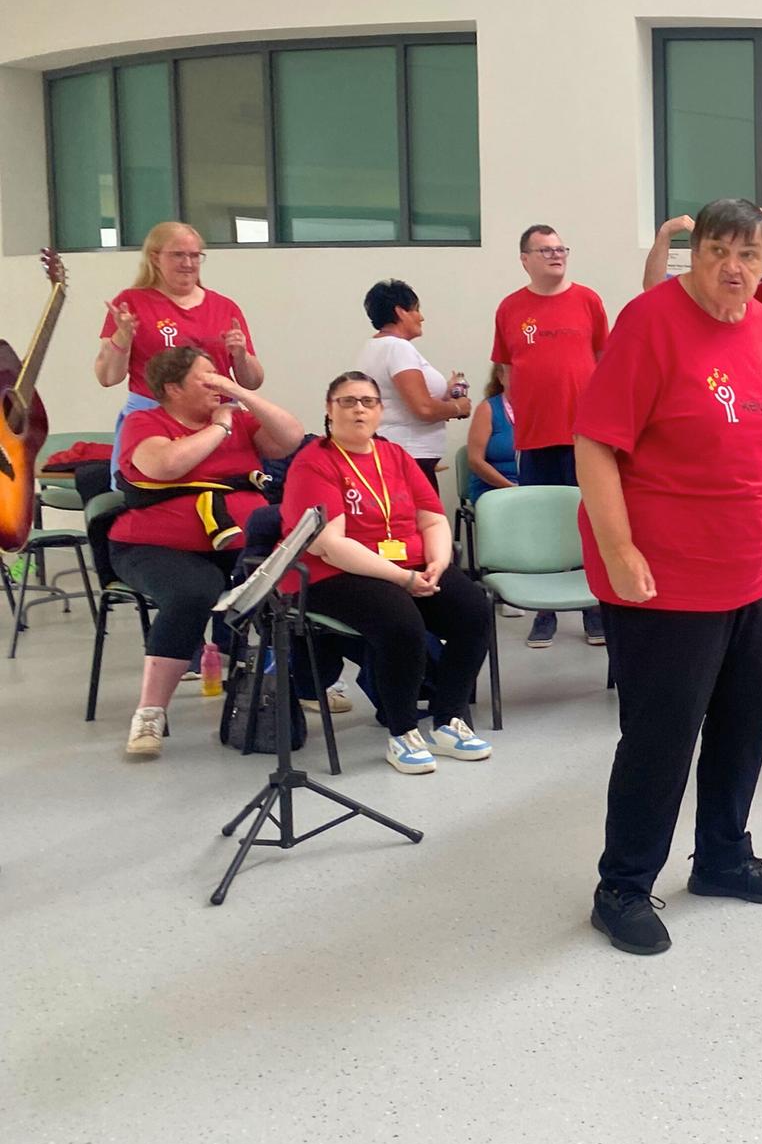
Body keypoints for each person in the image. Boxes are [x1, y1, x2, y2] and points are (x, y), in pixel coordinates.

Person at [577, 197, 762, 957]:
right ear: (696, 253)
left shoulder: (758, 325)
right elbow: (594, 443)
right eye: (719, 250)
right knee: (661, 738)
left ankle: (721, 856)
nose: (734, 268)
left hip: (747, 565)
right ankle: (621, 885)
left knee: (745, 725)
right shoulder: (648, 322)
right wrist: (620, 550)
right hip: (666, 576)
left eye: (749, 255)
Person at [282, 372, 494, 774]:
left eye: (367, 401)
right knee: (402, 623)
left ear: (380, 411)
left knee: (473, 610)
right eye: (347, 401)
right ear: (329, 410)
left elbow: (432, 518)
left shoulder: (394, 455)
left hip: (410, 566)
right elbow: (331, 544)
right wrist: (401, 579)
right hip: (335, 574)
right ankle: (402, 732)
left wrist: (438, 563)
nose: (358, 409)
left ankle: (449, 719)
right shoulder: (314, 462)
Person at [109, 348, 303, 757]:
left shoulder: (240, 419)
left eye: (218, 376)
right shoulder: (144, 422)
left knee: (300, 578)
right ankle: (150, 712)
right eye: (206, 377)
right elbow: (165, 465)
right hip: (153, 546)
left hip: (238, 543)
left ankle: (306, 684)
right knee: (192, 594)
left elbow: (290, 438)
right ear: (172, 388)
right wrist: (219, 428)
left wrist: (239, 393)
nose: (217, 383)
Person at [492, 224, 610, 648]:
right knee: (544, 527)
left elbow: (603, 359)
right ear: (525, 259)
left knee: (592, 520)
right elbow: (506, 368)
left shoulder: (588, 300)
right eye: (545, 250)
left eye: (560, 248)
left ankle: (595, 607)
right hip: (536, 436)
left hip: (586, 437)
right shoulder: (510, 308)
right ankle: (545, 613)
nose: (556, 255)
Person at [95, 221, 265, 479]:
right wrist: (123, 337)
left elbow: (252, 381)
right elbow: (107, 378)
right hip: (154, 419)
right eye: (178, 255)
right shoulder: (130, 303)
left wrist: (240, 355)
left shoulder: (224, 306)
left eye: (195, 255)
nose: (188, 263)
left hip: (217, 417)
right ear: (155, 258)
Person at [356, 279, 471, 488]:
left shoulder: (373, 347)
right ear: (401, 312)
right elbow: (423, 408)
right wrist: (457, 407)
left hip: (398, 453)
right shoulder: (398, 348)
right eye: (416, 310)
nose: (422, 317)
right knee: (425, 520)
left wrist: (444, 393)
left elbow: (402, 400)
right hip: (409, 456)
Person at [644, 206, 762, 312]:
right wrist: (665, 233)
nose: (732, 266)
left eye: (746, 254)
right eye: (718, 251)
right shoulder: (689, 294)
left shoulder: (752, 300)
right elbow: (653, 288)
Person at [464, 365, 518, 501]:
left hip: (532, 486)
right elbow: (475, 461)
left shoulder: (537, 409)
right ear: (500, 376)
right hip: (494, 489)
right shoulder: (487, 409)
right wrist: (511, 487)